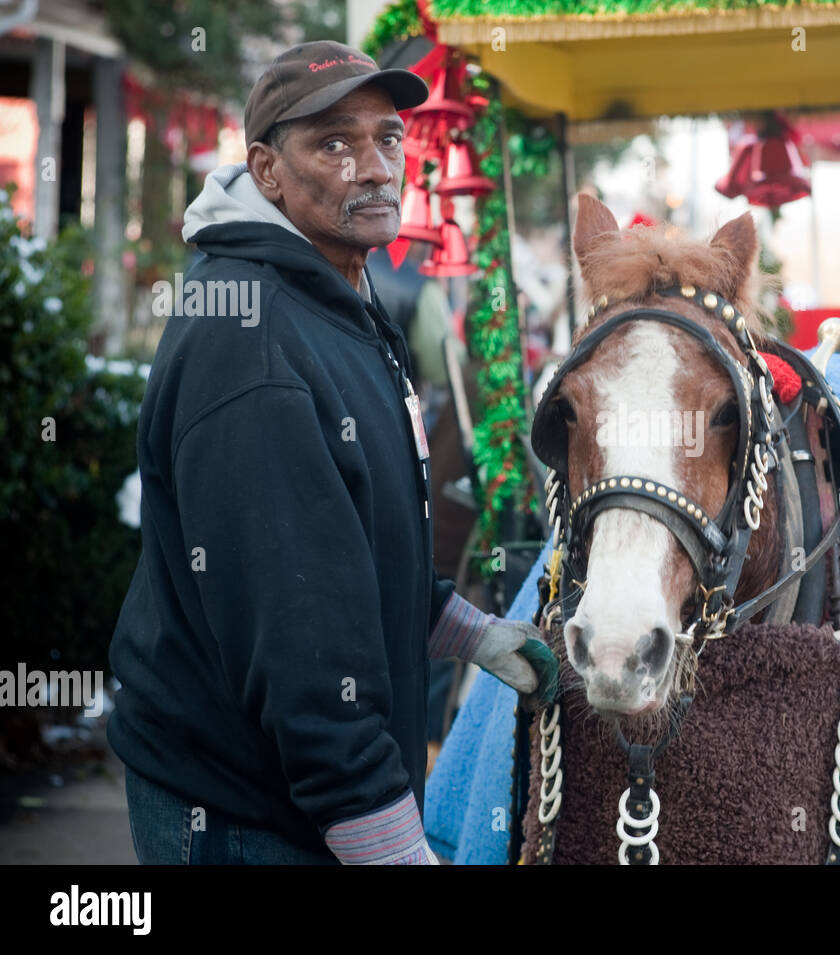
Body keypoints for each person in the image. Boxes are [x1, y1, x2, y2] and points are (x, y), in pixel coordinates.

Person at [107, 41, 555, 865]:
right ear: (267, 170)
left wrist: (467, 631)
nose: (377, 168)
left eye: (388, 139)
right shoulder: (254, 342)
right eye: (335, 144)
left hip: (295, 790)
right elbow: (301, 638)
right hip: (242, 810)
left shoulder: (336, 286)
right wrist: (392, 850)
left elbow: (351, 538)